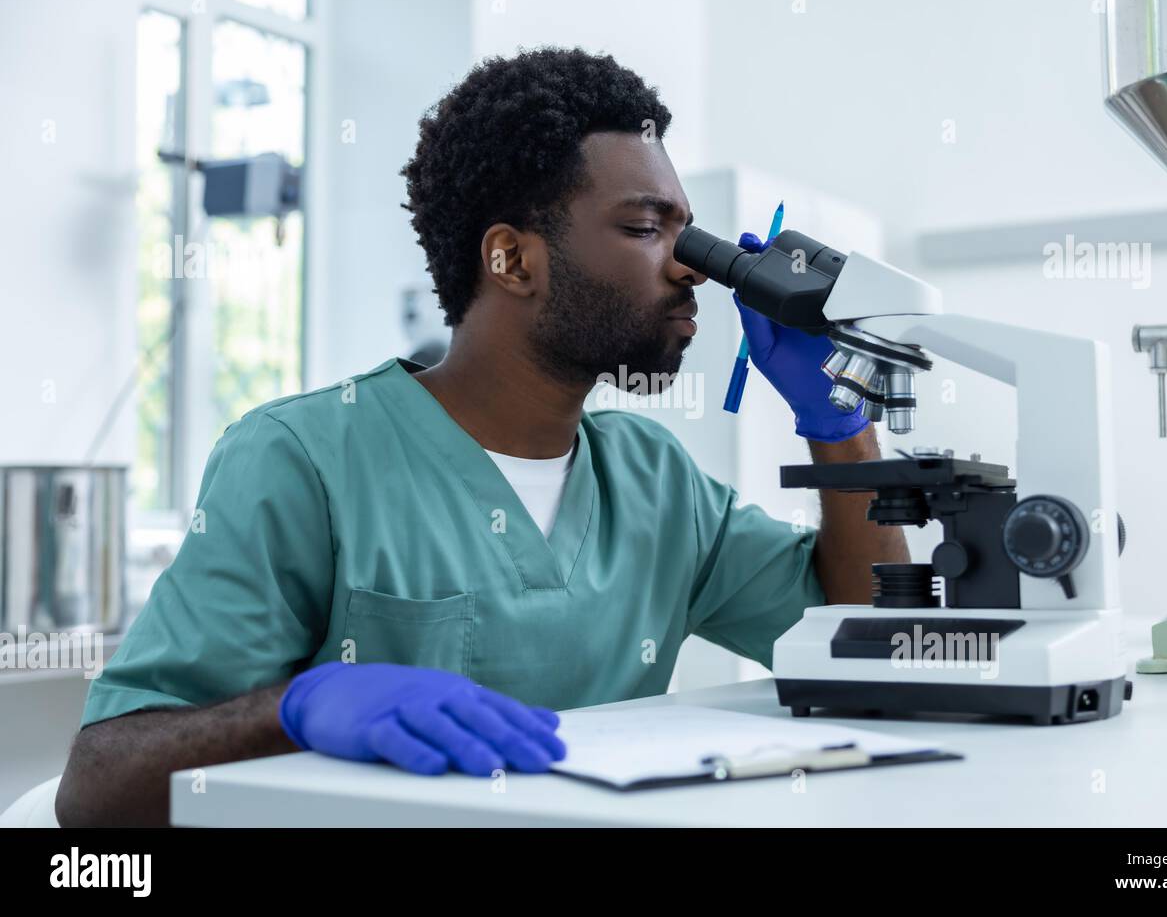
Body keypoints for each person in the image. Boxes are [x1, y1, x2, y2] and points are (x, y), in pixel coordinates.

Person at [56, 47, 908, 827]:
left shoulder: (656, 480)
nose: (689, 265)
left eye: (687, 234)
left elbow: (866, 648)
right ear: (512, 260)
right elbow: (97, 789)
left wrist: (839, 420)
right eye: (647, 228)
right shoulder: (301, 459)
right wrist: (295, 706)